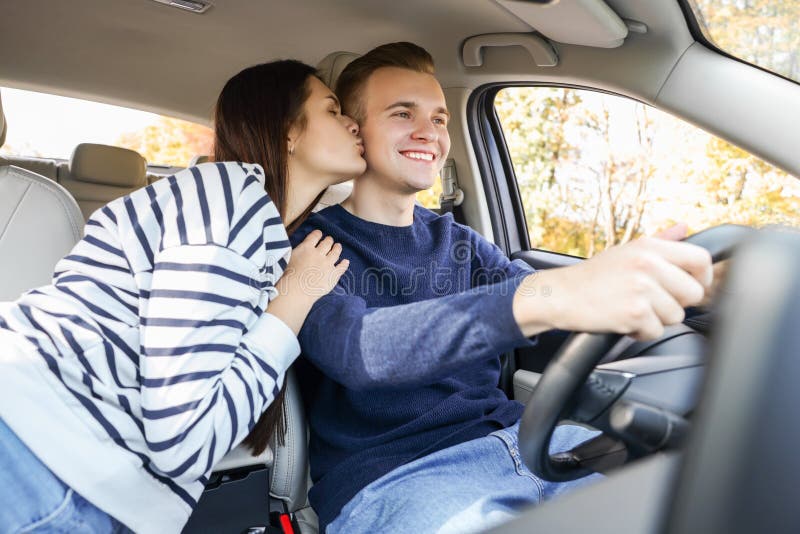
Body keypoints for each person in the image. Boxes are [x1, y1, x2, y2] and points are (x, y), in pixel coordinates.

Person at [291, 42, 714, 533]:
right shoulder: (310, 246)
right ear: (355, 130)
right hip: (397, 482)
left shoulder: (462, 243)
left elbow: (560, 315)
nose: (428, 132)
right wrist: (554, 296)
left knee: (703, 494)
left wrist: (696, 282)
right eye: (402, 113)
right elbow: (361, 351)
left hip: (528, 445)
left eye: (440, 118)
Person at [0, 60, 364, 533]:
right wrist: (293, 300)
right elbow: (183, 439)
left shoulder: (254, 226)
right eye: (333, 110)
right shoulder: (232, 198)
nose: (352, 121)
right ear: (287, 131)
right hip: (38, 455)